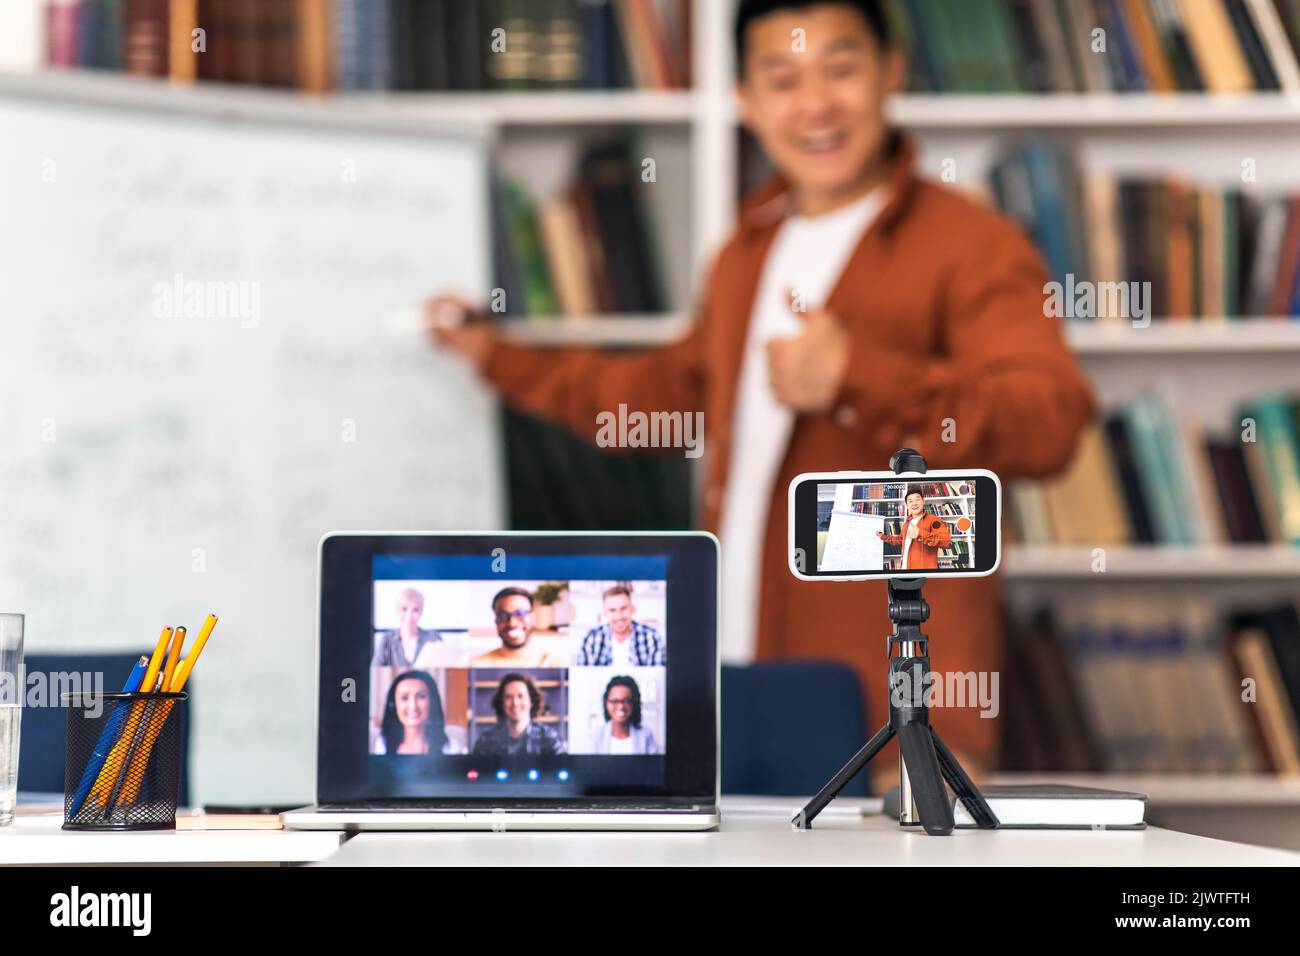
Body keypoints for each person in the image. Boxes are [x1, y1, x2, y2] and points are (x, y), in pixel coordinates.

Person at [429, 0, 1094, 773]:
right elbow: (653, 398)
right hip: (730, 683)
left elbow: (1049, 425)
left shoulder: (973, 245)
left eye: (841, 70)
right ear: (746, 102)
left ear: (892, 73)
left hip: (892, 713)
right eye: (783, 79)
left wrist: (858, 377)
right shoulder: (747, 251)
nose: (815, 105)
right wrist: (494, 356)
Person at [471, 672, 566, 756]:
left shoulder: (550, 738)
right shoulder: (485, 741)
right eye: (508, 697)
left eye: (520, 696)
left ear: (531, 701)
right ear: (501, 702)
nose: (515, 703)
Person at [471, 587, 565, 667]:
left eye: (520, 613)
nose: (512, 623)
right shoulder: (476, 664)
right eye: (503, 616)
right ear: (496, 621)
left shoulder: (554, 663)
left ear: (533, 617)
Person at [575, 585, 666, 666]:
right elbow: (583, 679)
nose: (619, 616)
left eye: (623, 608)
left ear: (632, 609)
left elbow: (658, 678)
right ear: (605, 613)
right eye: (612, 610)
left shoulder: (651, 637)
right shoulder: (591, 638)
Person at [376, 670, 456, 755]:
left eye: (421, 697)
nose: (413, 706)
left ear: (432, 702)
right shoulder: (382, 745)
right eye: (404, 698)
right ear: (393, 705)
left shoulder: (452, 747)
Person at [876, 485, 950, 571]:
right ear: (907, 505)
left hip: (924, 573)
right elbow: (900, 539)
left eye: (917, 499)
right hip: (905, 570)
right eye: (910, 501)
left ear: (923, 502)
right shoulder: (907, 523)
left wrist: (920, 533)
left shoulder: (934, 520)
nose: (914, 503)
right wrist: (883, 536)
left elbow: (946, 541)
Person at [371, 587, 443, 668]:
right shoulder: (387, 640)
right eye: (404, 609)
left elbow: (442, 670)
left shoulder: (433, 638)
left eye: (415, 610)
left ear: (421, 612)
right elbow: (376, 672)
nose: (409, 616)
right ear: (397, 610)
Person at [590, 675, 660, 755]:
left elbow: (654, 766)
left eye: (626, 701)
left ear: (634, 703)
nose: (621, 707)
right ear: (606, 703)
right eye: (614, 701)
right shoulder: (596, 736)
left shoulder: (646, 735)